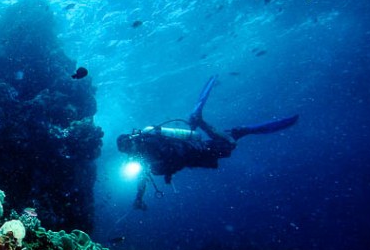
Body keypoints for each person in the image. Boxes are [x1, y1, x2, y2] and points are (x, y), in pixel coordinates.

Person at [116, 75, 299, 209]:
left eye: (128, 148)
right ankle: (229, 130)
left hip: (195, 152)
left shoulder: (146, 147)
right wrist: (139, 198)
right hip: (193, 153)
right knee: (228, 141)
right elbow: (145, 176)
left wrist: (140, 197)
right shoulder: (144, 146)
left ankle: (204, 122)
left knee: (229, 145)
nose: (130, 151)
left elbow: (157, 167)